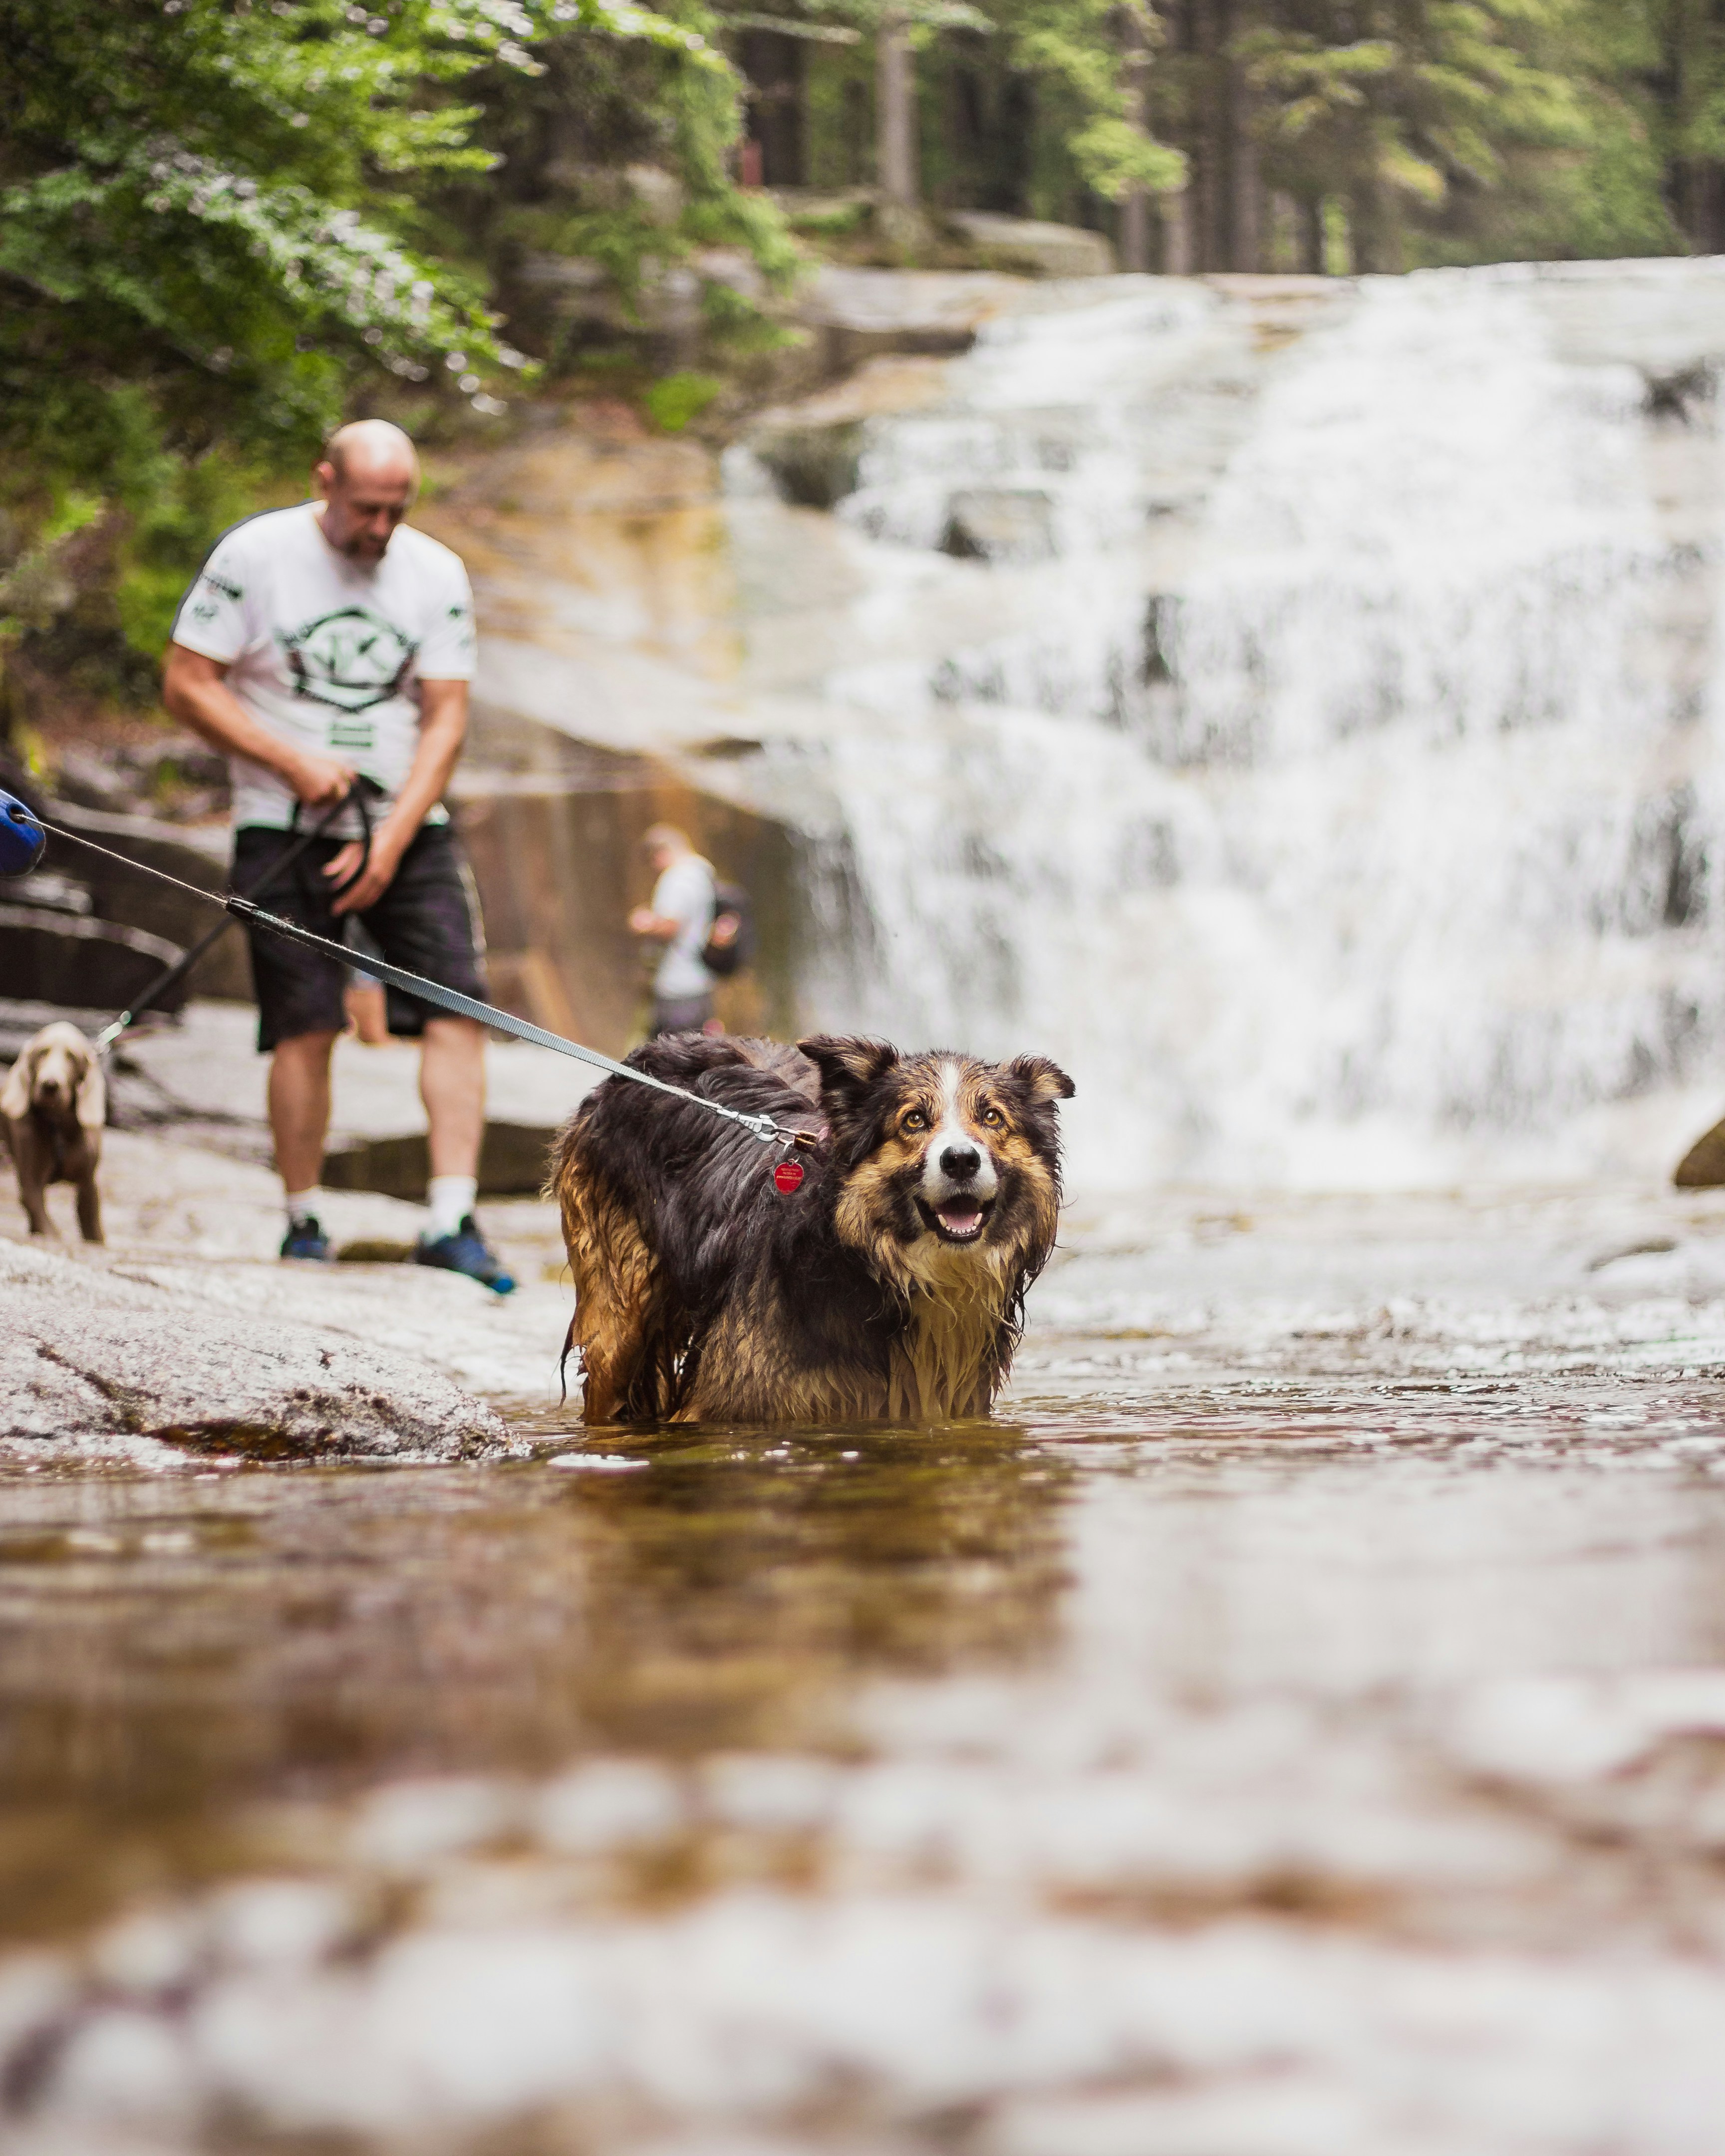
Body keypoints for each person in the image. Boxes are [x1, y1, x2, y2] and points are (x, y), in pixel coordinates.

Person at [161, 419, 512, 1291]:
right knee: (304, 1019)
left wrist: (392, 841)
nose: (382, 529)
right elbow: (185, 682)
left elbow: (447, 715)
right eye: (366, 509)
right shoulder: (254, 556)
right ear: (324, 480)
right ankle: (303, 1217)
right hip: (282, 823)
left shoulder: (434, 571)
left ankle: (451, 1218)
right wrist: (292, 761)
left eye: (399, 510)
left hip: (409, 825)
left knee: (454, 1005)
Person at [629, 824, 719, 1037]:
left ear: (661, 852)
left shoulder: (677, 878)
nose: (655, 867)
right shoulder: (703, 873)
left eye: (653, 860)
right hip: (700, 980)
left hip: (677, 986)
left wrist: (643, 923)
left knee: (668, 1059)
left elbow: (669, 927)